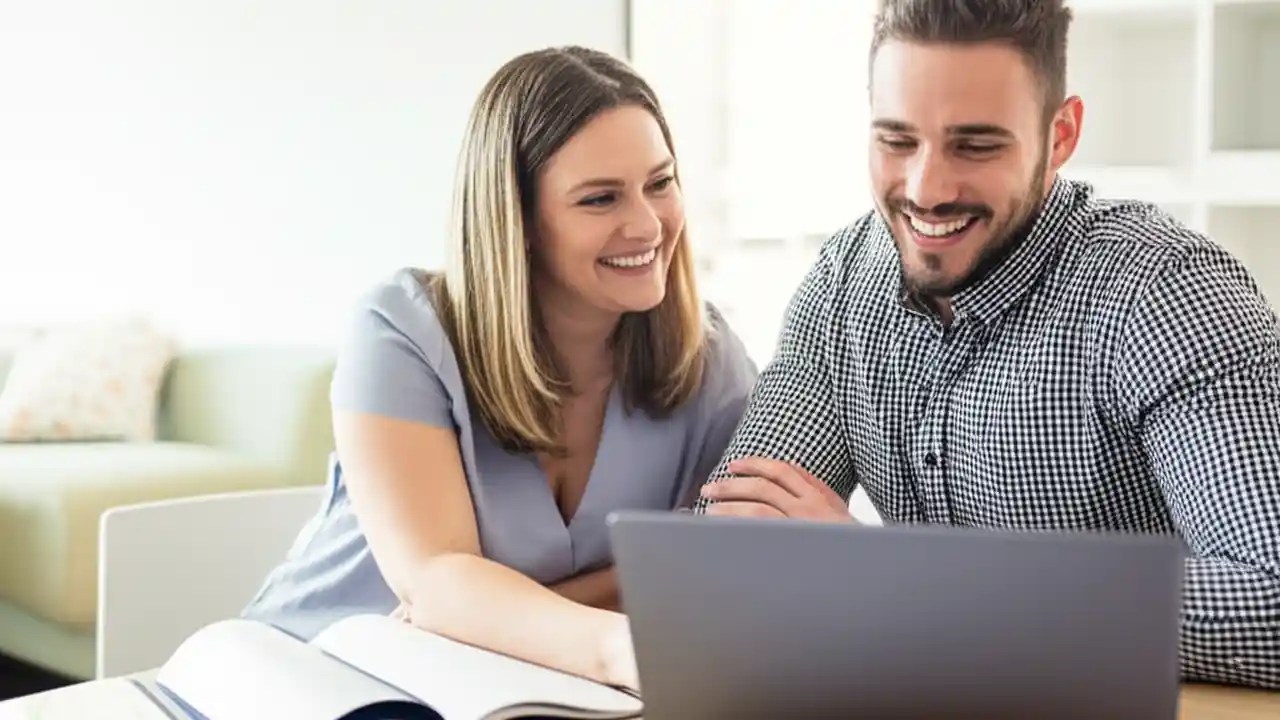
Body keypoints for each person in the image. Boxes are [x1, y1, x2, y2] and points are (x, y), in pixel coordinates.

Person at [693, 0, 1280, 690]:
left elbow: (1271, 599)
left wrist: (902, 582)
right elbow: (733, 542)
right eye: (897, 141)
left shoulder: (1168, 294)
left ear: (1060, 136)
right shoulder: (842, 282)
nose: (927, 189)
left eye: (975, 146)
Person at [241, 46, 756, 690]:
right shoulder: (400, 331)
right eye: (601, 199)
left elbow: (723, 565)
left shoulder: (709, 361)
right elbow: (437, 582)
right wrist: (624, 633)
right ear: (519, 220)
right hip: (309, 673)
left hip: (520, 689)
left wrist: (483, 612)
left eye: (660, 183)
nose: (648, 224)